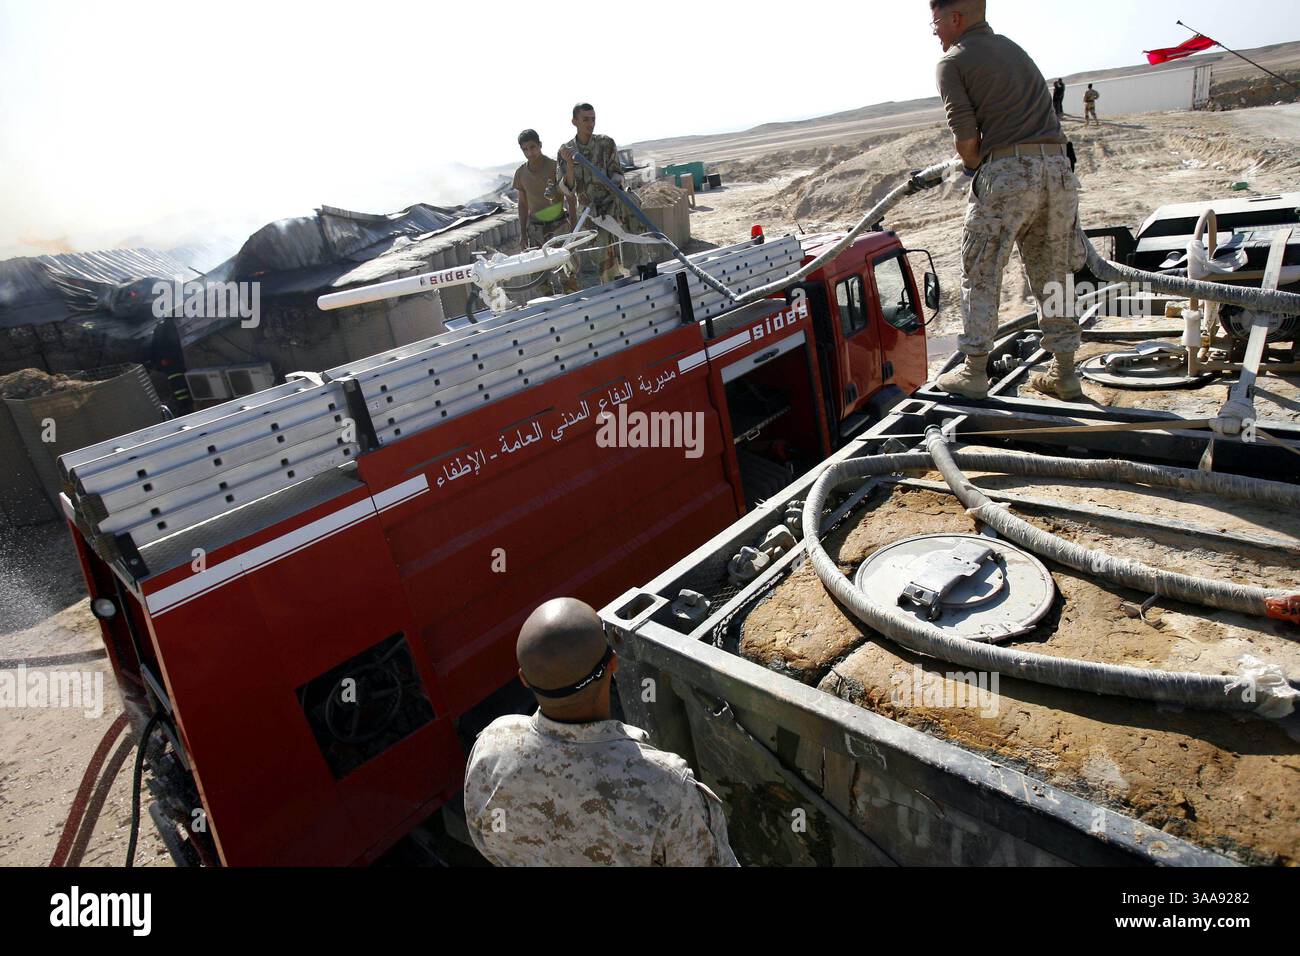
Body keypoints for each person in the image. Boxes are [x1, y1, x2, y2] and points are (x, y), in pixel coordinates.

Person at [463, 597, 739, 867]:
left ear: (524, 679)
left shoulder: (492, 746)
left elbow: (486, 842)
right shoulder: (667, 787)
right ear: (613, 664)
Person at [930, 0, 1086, 401]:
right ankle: (1065, 372)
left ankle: (973, 371)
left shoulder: (953, 63)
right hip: (1058, 170)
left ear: (955, 18)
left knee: (981, 271)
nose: (934, 32)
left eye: (935, 23)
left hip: (1008, 173)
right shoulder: (1014, 49)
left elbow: (967, 146)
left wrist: (977, 160)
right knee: (1055, 272)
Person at [556, 103, 633, 285]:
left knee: (631, 250)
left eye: (593, 119)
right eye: (585, 120)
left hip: (612, 207)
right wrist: (569, 166)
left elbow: (617, 172)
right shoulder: (566, 151)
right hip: (590, 214)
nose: (590, 124)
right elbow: (567, 188)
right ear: (574, 121)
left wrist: (614, 184)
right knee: (602, 261)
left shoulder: (606, 143)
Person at [511, 129, 575, 294]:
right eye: (525, 149)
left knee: (568, 272)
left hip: (558, 226)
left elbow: (570, 196)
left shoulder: (554, 167)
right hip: (536, 229)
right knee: (540, 278)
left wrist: (574, 226)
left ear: (540, 145)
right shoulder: (521, 173)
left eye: (532, 147)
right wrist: (523, 233)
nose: (529, 152)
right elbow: (523, 204)